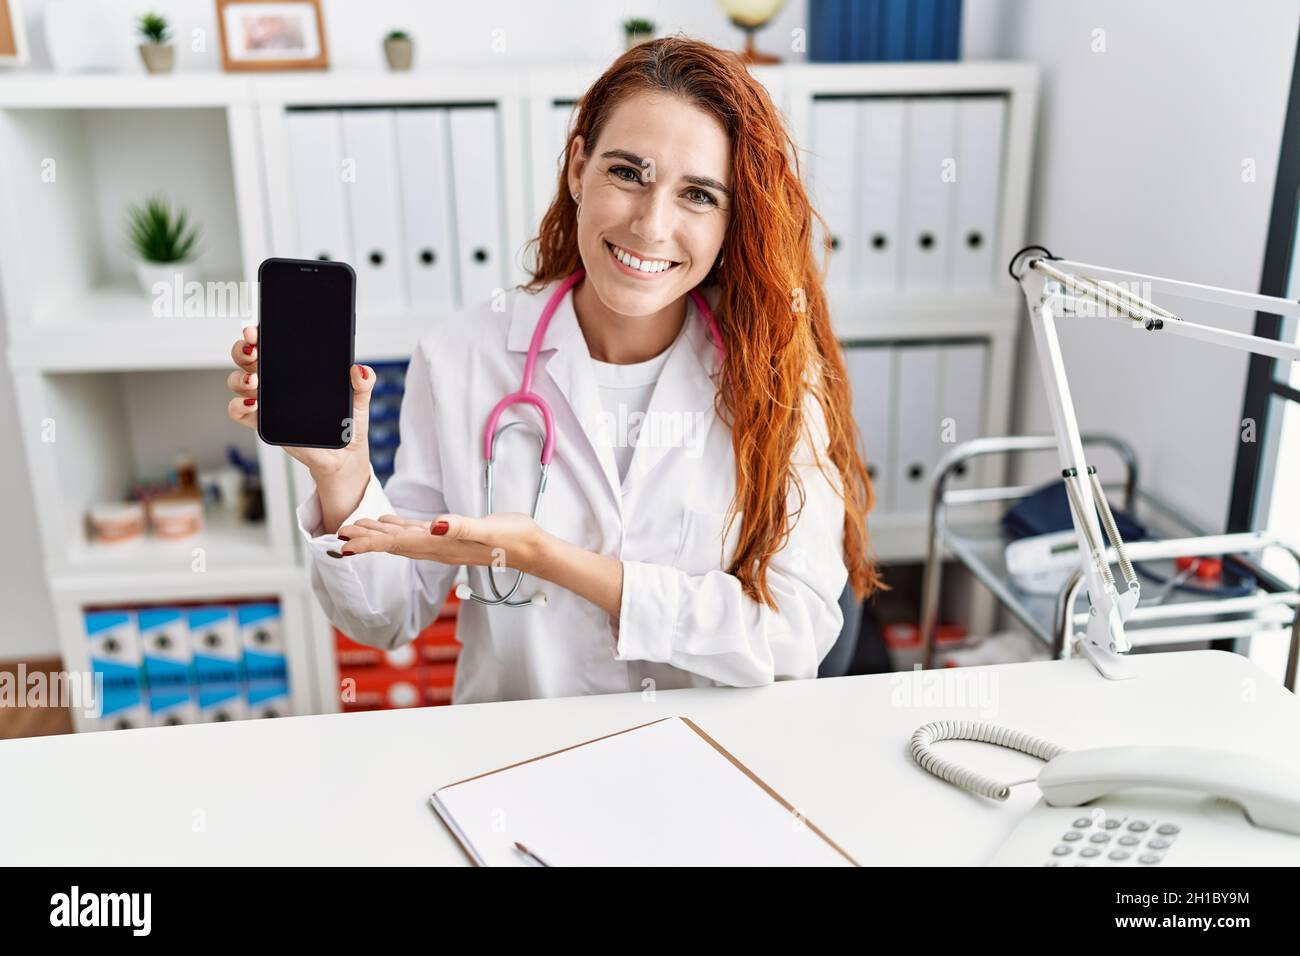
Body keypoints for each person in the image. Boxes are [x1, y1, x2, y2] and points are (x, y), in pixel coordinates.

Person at [227, 37, 882, 703]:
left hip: (705, 762)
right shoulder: (463, 355)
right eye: (628, 173)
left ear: (731, 219)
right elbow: (386, 617)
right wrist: (341, 475)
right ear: (578, 168)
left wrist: (550, 558)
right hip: (518, 762)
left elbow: (795, 637)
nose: (652, 226)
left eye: (698, 196)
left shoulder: (774, 377)